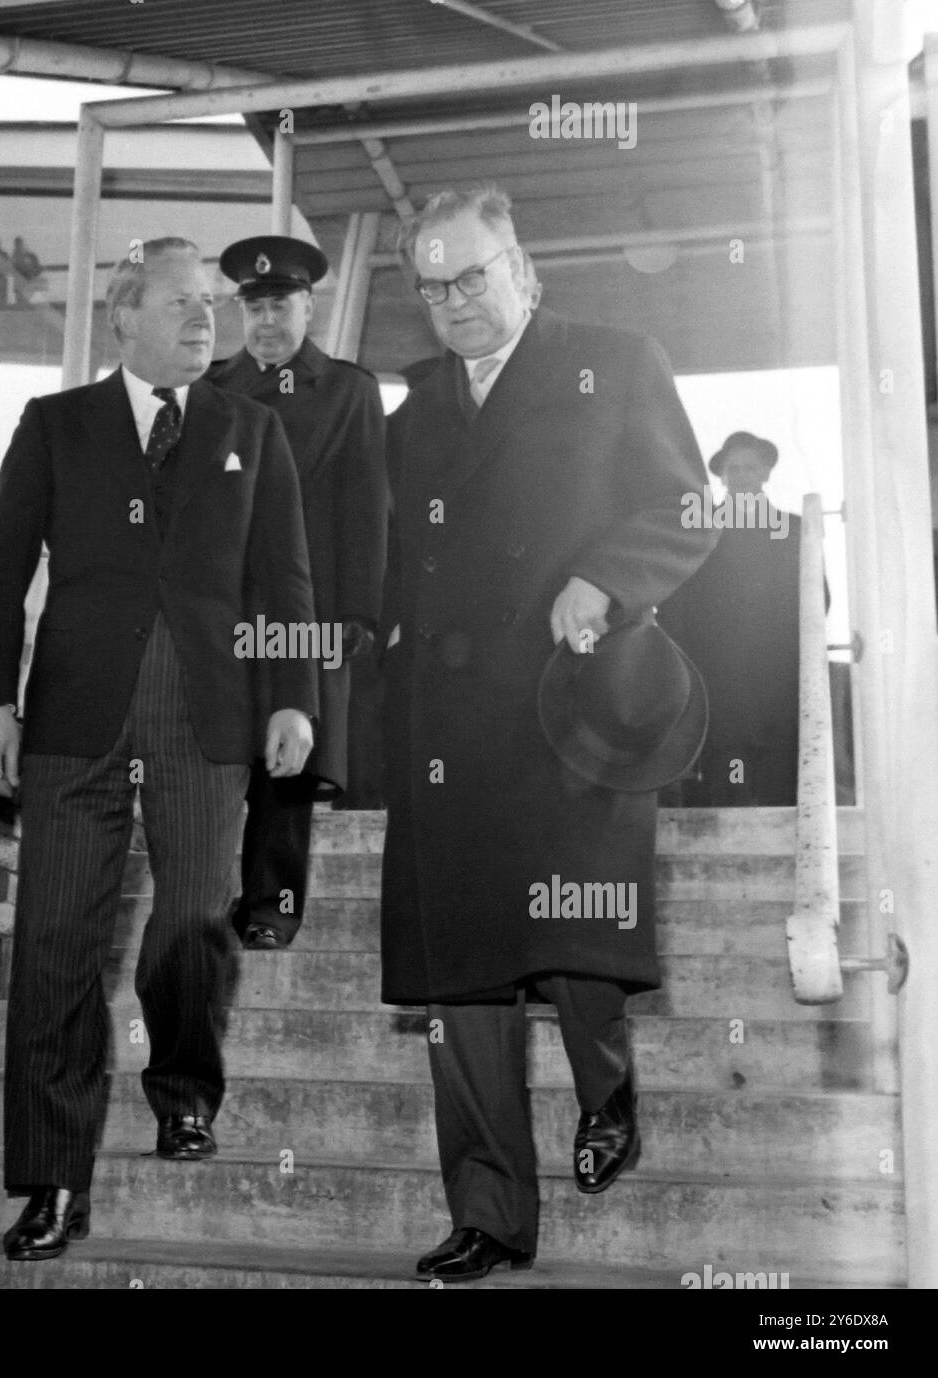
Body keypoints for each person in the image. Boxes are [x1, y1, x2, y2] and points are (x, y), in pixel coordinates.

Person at [380, 183, 718, 1281]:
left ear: (519, 266)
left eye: (470, 278)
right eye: (430, 289)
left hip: (573, 701)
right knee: (461, 978)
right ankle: (486, 1213)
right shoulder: (411, 412)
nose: (452, 304)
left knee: (575, 931)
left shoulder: (614, 359)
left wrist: (602, 581)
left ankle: (605, 1087)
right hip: (448, 719)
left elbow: (686, 506)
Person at [0, 237, 318, 1262]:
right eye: (178, 301)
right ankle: (48, 1178)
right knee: (53, 947)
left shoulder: (253, 430)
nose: (204, 315)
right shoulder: (55, 424)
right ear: (121, 319)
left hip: (204, 718)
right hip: (74, 719)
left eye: (207, 302)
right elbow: (0, 574)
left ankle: (184, 1089)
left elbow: (284, 581)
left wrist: (292, 697)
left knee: (196, 919)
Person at [207, 235, 387, 949]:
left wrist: (358, 615)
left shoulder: (349, 391)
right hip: (221, 605)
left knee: (287, 762)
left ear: (309, 306)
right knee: (222, 750)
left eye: (279, 304)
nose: (266, 322)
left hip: (306, 606)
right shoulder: (212, 388)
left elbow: (367, 509)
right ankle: (206, 893)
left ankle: (271, 907)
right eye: (253, 308)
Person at [657, 431, 807, 806]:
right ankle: (727, 816)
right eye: (733, 468)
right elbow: (677, 597)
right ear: (722, 476)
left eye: (750, 467)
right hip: (716, 662)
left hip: (776, 661)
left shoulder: (791, 528)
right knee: (727, 747)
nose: (741, 475)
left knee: (778, 747)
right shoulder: (701, 529)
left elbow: (814, 594)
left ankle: (781, 819)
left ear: (766, 473)